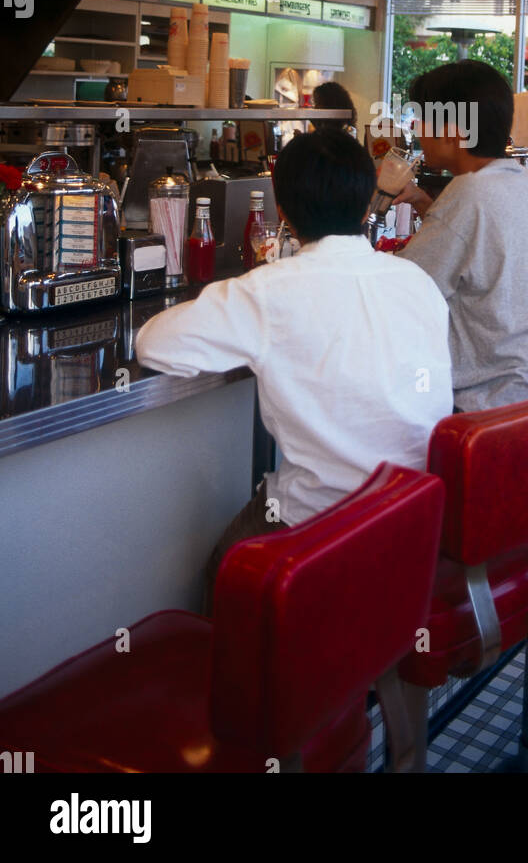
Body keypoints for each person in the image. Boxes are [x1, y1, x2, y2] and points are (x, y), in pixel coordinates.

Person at [136, 132, 452, 610]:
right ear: (368, 204)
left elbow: (152, 344)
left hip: (320, 524)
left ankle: (260, 679)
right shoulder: (416, 281)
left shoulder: (268, 291)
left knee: (225, 570)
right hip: (414, 516)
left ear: (281, 210)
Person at [397, 59, 528, 411]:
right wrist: (421, 200)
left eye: (424, 119)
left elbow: (402, 296)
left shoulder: (467, 194)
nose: (417, 129)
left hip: (508, 409)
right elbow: (474, 243)